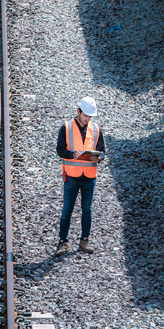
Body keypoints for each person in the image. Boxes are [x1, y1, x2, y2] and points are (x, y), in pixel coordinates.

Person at [55, 96, 105, 255]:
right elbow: (60, 150)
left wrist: (95, 157)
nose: (87, 119)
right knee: (67, 210)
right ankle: (63, 242)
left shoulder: (96, 129)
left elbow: (102, 153)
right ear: (78, 112)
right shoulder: (66, 127)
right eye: (85, 116)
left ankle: (85, 241)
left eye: (90, 116)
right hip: (71, 176)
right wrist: (72, 154)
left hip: (89, 177)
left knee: (87, 210)